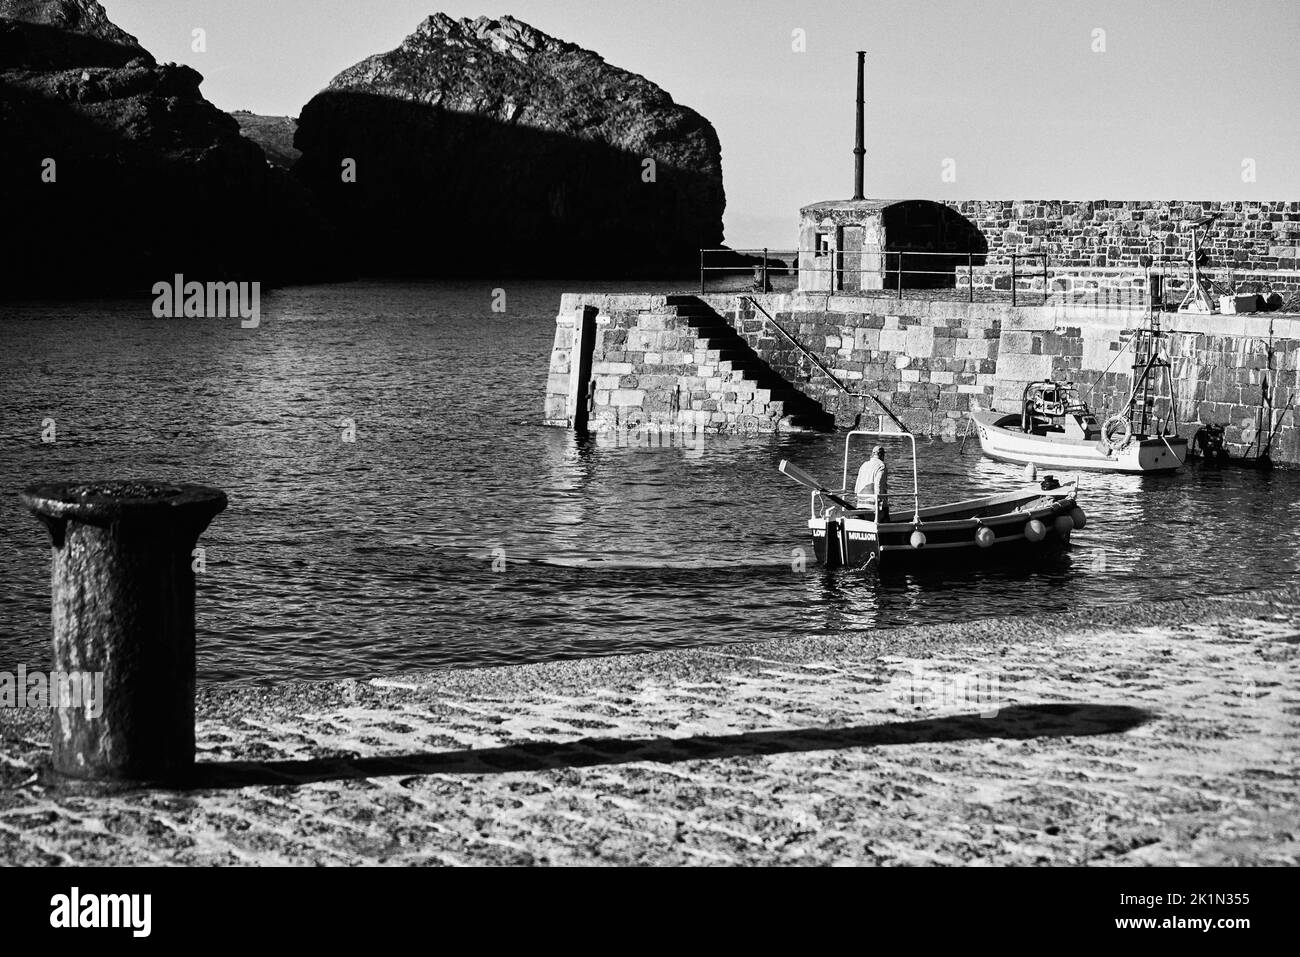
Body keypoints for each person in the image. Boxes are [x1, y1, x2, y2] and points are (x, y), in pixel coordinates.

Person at [854, 445, 889, 520]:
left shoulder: (864, 465)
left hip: (860, 502)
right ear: (881, 455)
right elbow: (878, 484)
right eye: (883, 454)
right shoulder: (881, 466)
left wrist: (856, 497)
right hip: (872, 504)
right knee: (886, 512)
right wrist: (879, 502)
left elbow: (857, 484)